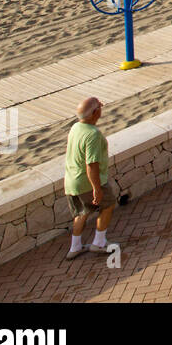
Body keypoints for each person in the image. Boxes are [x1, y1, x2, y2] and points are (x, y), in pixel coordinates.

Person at [63, 97, 118, 260]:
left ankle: (75, 247)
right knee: (108, 205)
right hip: (88, 182)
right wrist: (97, 189)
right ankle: (99, 243)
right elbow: (91, 165)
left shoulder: (75, 127)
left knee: (81, 212)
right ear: (95, 113)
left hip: (72, 181)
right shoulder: (92, 134)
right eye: (99, 108)